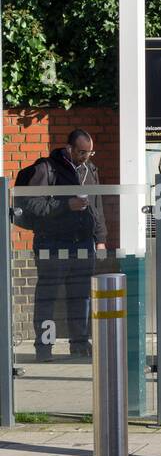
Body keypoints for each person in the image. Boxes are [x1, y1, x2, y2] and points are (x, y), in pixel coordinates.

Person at [23, 130, 107, 361]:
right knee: (47, 298)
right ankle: (44, 348)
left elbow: (96, 206)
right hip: (52, 243)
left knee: (81, 296)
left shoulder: (90, 169)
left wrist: (100, 239)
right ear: (69, 148)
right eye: (81, 152)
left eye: (90, 152)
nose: (86, 157)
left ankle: (80, 345)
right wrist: (65, 205)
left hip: (83, 243)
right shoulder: (46, 169)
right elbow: (31, 203)